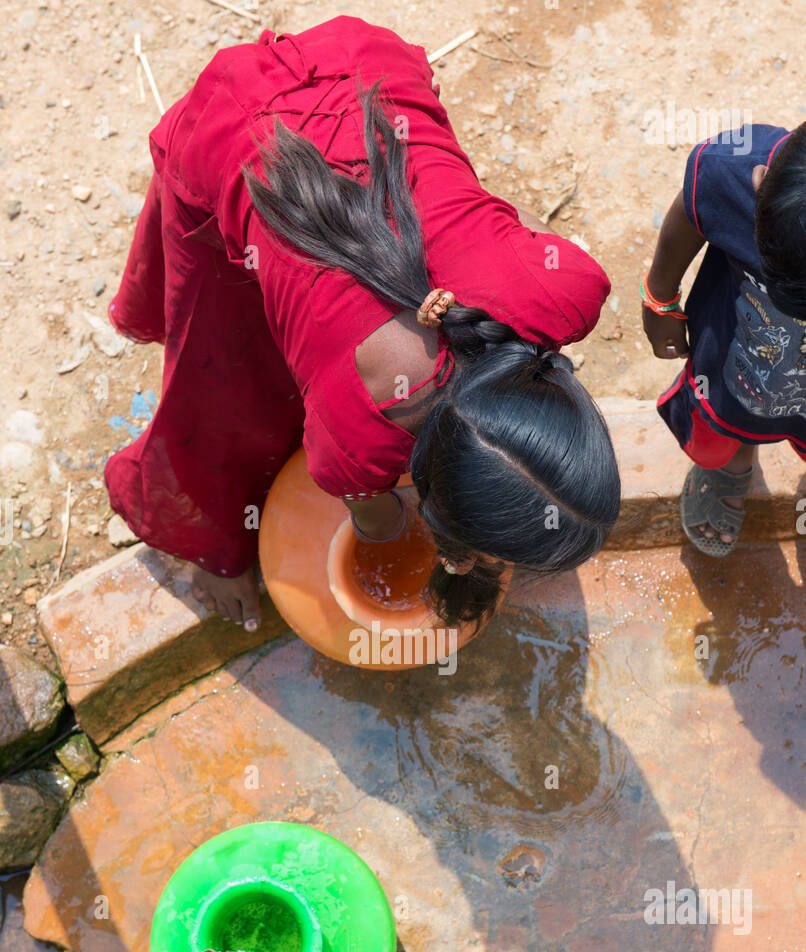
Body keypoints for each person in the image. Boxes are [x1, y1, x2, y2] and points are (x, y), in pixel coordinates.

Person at [106, 17, 619, 632]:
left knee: (295, 316)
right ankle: (212, 549)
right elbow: (376, 521)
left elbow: (505, 235)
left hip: (367, 70)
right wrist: (443, 555)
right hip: (234, 137)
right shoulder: (355, 442)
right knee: (220, 381)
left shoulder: (569, 291)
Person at [644, 121, 806, 556]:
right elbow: (691, 212)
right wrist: (659, 297)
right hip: (736, 360)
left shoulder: (755, 180)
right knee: (723, 425)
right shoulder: (732, 170)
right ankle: (732, 464)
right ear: (758, 184)